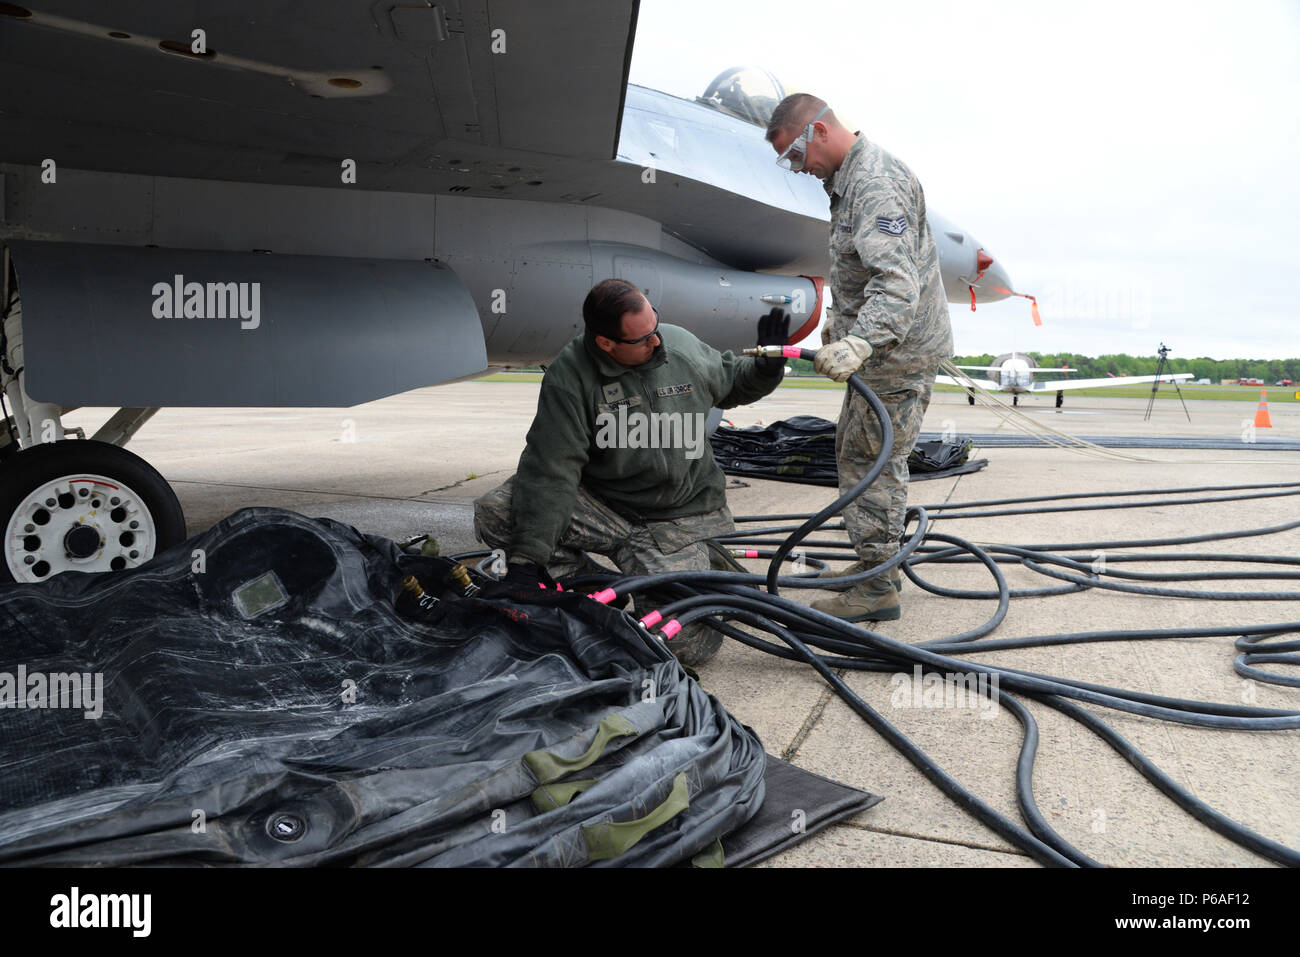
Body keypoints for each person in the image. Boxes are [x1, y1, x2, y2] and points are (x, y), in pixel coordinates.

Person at [473, 278, 789, 665]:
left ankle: (687, 573)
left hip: (681, 517)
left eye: (655, 327)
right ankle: (597, 589)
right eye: (642, 339)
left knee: (684, 646)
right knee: (498, 510)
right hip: (608, 508)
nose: (656, 342)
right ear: (606, 343)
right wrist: (526, 563)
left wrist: (767, 368)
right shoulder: (570, 375)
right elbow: (550, 470)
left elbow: (734, 381)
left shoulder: (679, 346)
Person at [766, 94, 953, 622]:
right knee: (856, 453)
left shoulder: (873, 183)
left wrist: (858, 343)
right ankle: (876, 568)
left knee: (873, 461)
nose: (797, 169)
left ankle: (878, 589)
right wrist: (837, 329)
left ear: (818, 131)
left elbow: (896, 285)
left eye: (795, 156)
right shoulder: (847, 182)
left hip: (897, 354)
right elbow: (859, 275)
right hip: (881, 354)